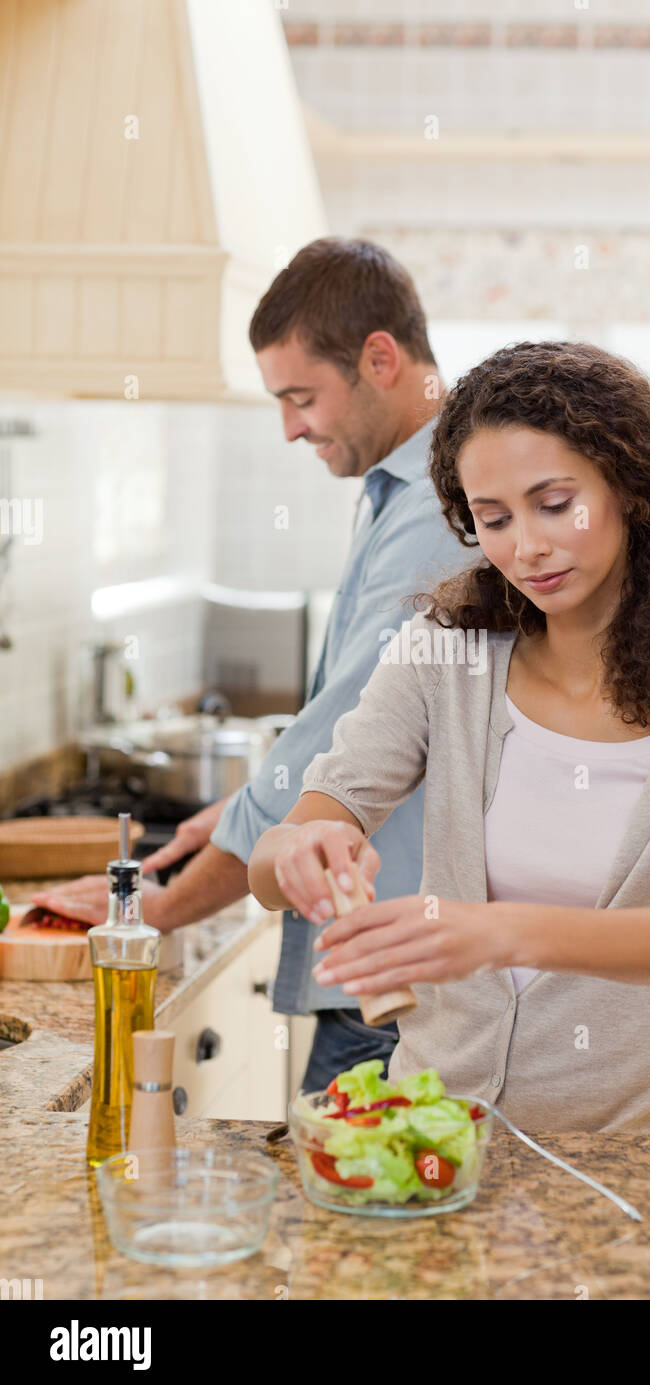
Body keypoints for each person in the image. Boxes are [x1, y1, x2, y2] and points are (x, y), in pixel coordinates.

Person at [248, 339, 650, 1135]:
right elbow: (282, 851)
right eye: (493, 518)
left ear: (630, 487)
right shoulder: (441, 654)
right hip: (428, 1136)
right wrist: (297, 854)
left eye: (555, 505)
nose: (526, 546)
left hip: (625, 1162)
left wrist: (493, 933)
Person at [31, 238, 470, 1091]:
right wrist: (236, 807)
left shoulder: (436, 511)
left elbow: (336, 740)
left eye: (302, 397)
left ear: (380, 358)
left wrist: (152, 915)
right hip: (381, 958)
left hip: (394, 977)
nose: (291, 427)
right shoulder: (399, 491)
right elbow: (362, 730)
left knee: (351, 1216)